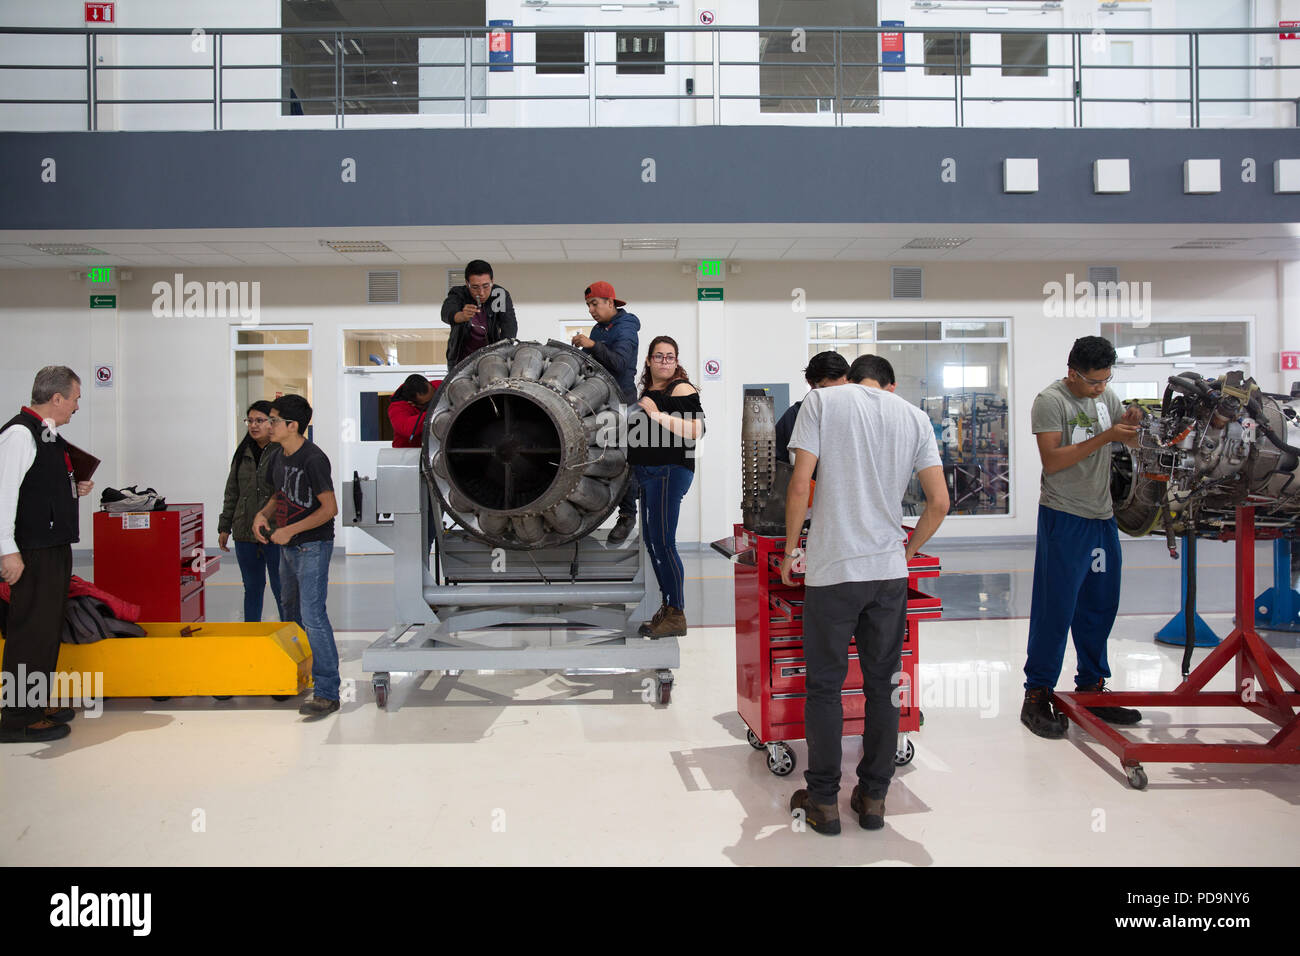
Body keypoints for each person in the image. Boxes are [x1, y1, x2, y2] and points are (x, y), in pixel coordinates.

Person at [781, 354, 948, 835]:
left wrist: (792, 552)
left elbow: (800, 485)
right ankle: (874, 798)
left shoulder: (822, 401)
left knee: (825, 688)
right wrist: (908, 550)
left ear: (851, 379)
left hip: (833, 570)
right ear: (888, 385)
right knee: (883, 685)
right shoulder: (913, 416)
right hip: (886, 574)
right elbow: (939, 502)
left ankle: (824, 802)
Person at [1021, 335, 1143, 739]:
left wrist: (1133, 424)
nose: (1101, 389)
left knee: (1099, 605)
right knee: (1055, 608)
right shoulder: (1051, 400)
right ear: (1073, 373)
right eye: (1093, 382)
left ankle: (1092, 687)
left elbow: (1124, 434)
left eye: (1106, 380)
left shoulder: (1105, 398)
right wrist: (1108, 436)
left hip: (1101, 517)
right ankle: (1037, 693)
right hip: (1064, 516)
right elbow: (1053, 461)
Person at [0, 366, 94, 743]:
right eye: (74, 399)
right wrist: (8, 552)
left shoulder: (49, 437)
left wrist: (75, 487)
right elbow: (3, 497)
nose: (76, 406)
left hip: (52, 548)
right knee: (29, 631)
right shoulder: (20, 435)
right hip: (31, 551)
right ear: (56, 398)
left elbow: (38, 488)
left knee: (46, 629)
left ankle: (35, 703)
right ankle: (18, 718)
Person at [252, 395, 341, 721]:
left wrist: (291, 531)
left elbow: (329, 509)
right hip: (287, 548)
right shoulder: (278, 457)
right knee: (291, 612)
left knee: (313, 615)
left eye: (273, 421)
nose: (267, 426)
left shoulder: (313, 459)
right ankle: (303, 672)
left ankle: (328, 691)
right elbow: (280, 495)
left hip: (312, 547)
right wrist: (262, 515)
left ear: (292, 426)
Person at [627, 335, 704, 638]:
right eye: (658, 356)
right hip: (650, 473)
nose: (664, 361)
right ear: (648, 360)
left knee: (664, 543)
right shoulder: (649, 390)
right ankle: (669, 608)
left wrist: (656, 414)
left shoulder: (680, 388)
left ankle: (676, 612)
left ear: (676, 361)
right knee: (654, 543)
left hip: (668, 472)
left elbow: (695, 429)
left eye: (669, 356)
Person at [572, 281, 642, 544]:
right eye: (589, 305)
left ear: (610, 302)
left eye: (595, 304)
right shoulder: (598, 328)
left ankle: (627, 515)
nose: (591, 310)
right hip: (599, 402)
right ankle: (591, 510)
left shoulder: (626, 328)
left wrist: (591, 345)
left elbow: (620, 364)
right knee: (593, 456)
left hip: (622, 403)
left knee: (624, 460)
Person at [217, 401, 285, 623]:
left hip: (275, 532)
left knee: (281, 588)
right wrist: (224, 526)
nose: (254, 426)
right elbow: (232, 491)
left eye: (260, 420)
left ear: (271, 423)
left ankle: (292, 633)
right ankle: (252, 633)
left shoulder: (282, 451)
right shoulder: (242, 453)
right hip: (245, 532)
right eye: (250, 421)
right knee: (252, 588)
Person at [775, 351, 851, 465]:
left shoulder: (855, 413)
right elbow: (776, 466)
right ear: (811, 384)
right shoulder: (793, 417)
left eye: (844, 389)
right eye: (830, 391)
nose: (839, 396)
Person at [441, 260, 518, 367]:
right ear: (467, 284)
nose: (481, 293)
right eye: (475, 287)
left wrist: (503, 355)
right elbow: (446, 312)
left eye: (486, 286)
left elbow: (510, 326)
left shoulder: (500, 294)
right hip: (460, 362)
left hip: (493, 360)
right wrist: (461, 316)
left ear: (492, 281)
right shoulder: (458, 293)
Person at [388, 374, 442, 448]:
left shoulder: (439, 386)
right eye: (428, 403)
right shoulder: (396, 408)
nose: (435, 404)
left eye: (435, 397)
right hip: (409, 453)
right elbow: (407, 428)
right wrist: (437, 412)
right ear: (412, 403)